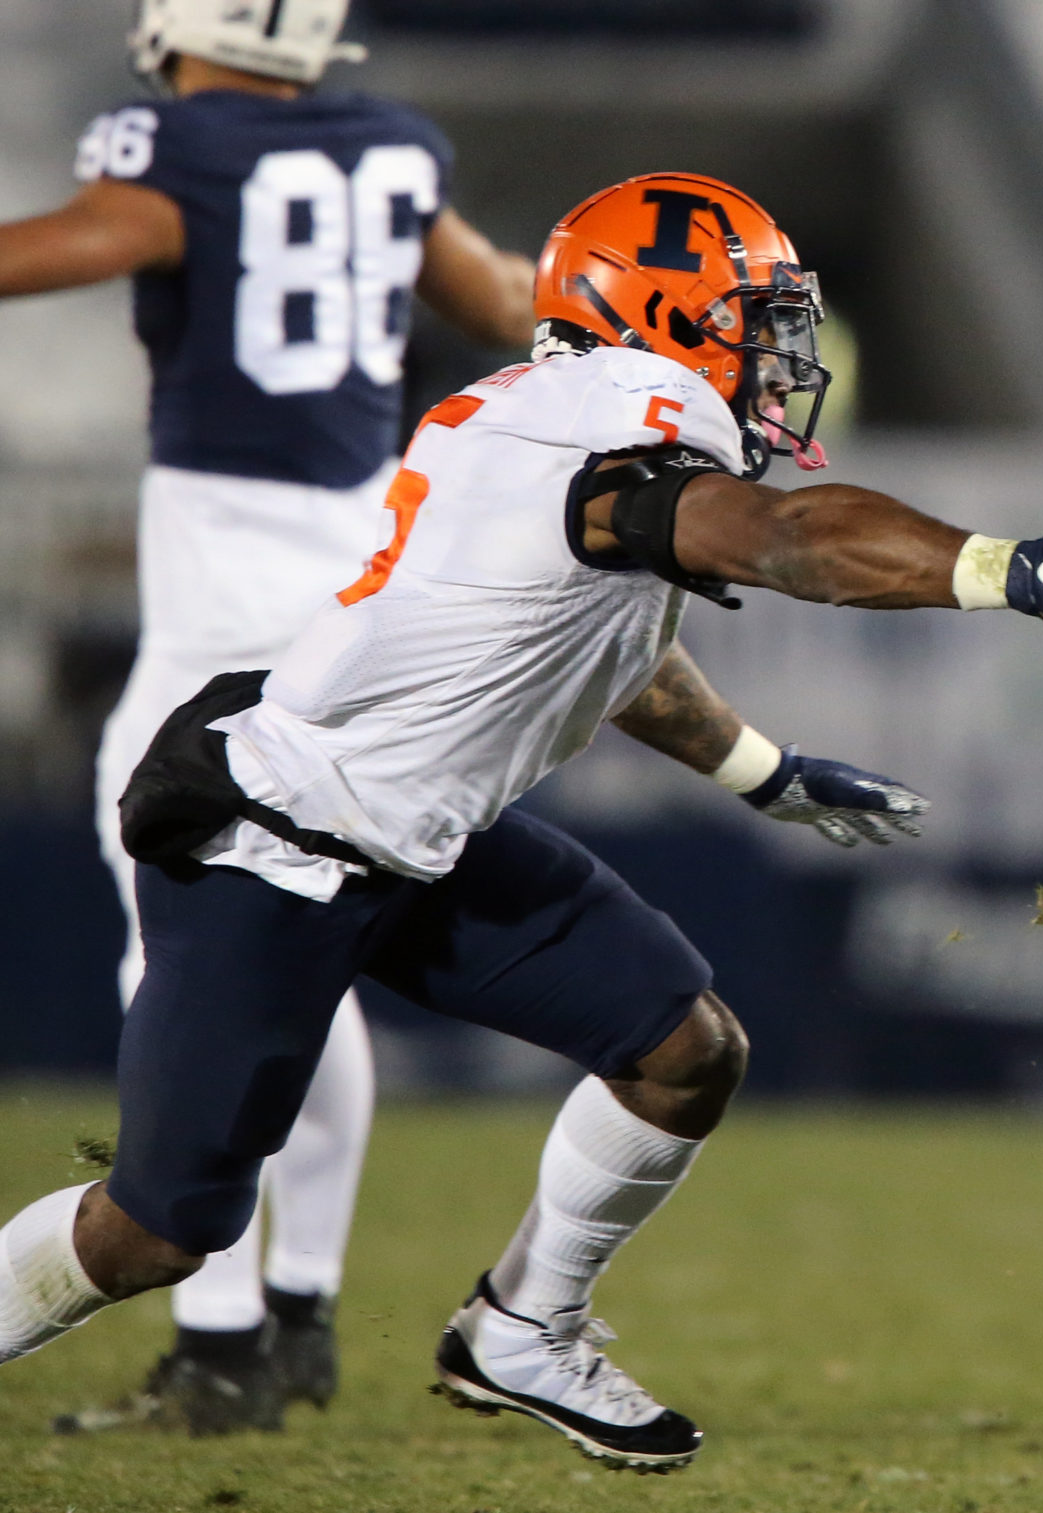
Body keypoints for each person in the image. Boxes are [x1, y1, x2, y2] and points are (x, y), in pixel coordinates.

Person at [0, 170, 1043, 1473]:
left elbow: (603, 646)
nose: (777, 357)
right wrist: (1008, 568)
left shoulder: (547, 419)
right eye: (755, 320)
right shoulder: (620, 418)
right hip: (281, 842)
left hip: (418, 830)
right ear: (663, 314)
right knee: (158, 1231)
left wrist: (764, 771)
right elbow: (787, 540)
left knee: (681, 1049)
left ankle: (523, 1326)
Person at [0, 0, 536, 1434]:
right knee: (314, 941)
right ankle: (296, 1305)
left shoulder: (179, 140)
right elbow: (512, 304)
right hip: (361, 601)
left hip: (221, 620)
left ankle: (223, 1333)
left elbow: (89, 241)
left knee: (185, 963)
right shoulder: (390, 145)